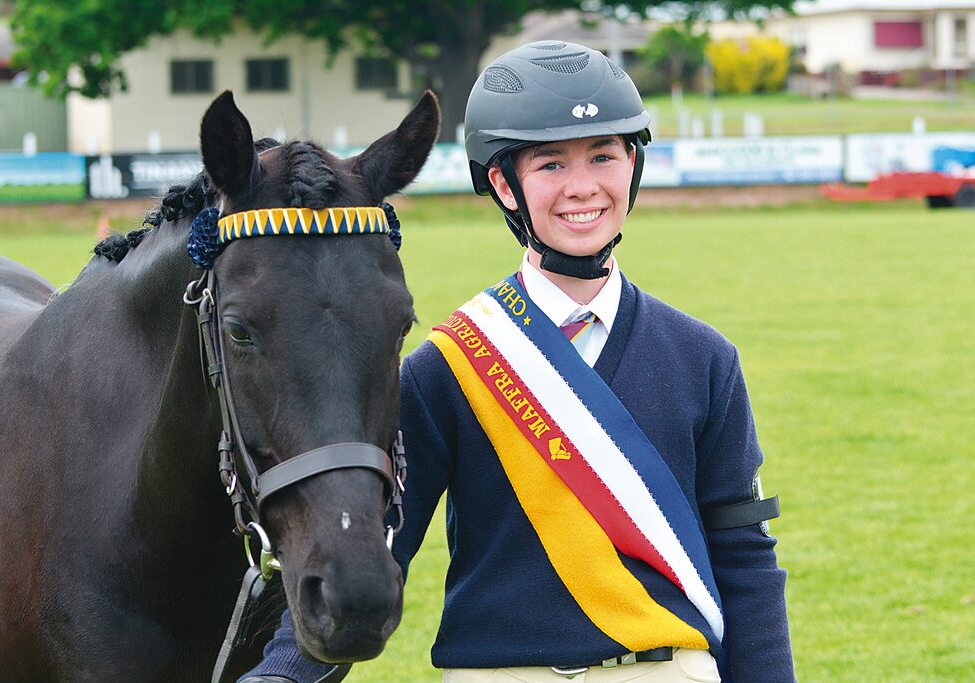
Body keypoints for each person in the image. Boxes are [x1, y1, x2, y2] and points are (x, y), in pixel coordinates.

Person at [242, 40, 794, 683]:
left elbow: (744, 556)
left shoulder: (705, 358)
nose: (583, 186)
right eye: (551, 164)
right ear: (503, 183)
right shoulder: (445, 369)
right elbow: (373, 544)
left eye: (604, 157)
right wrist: (280, 674)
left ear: (634, 166)